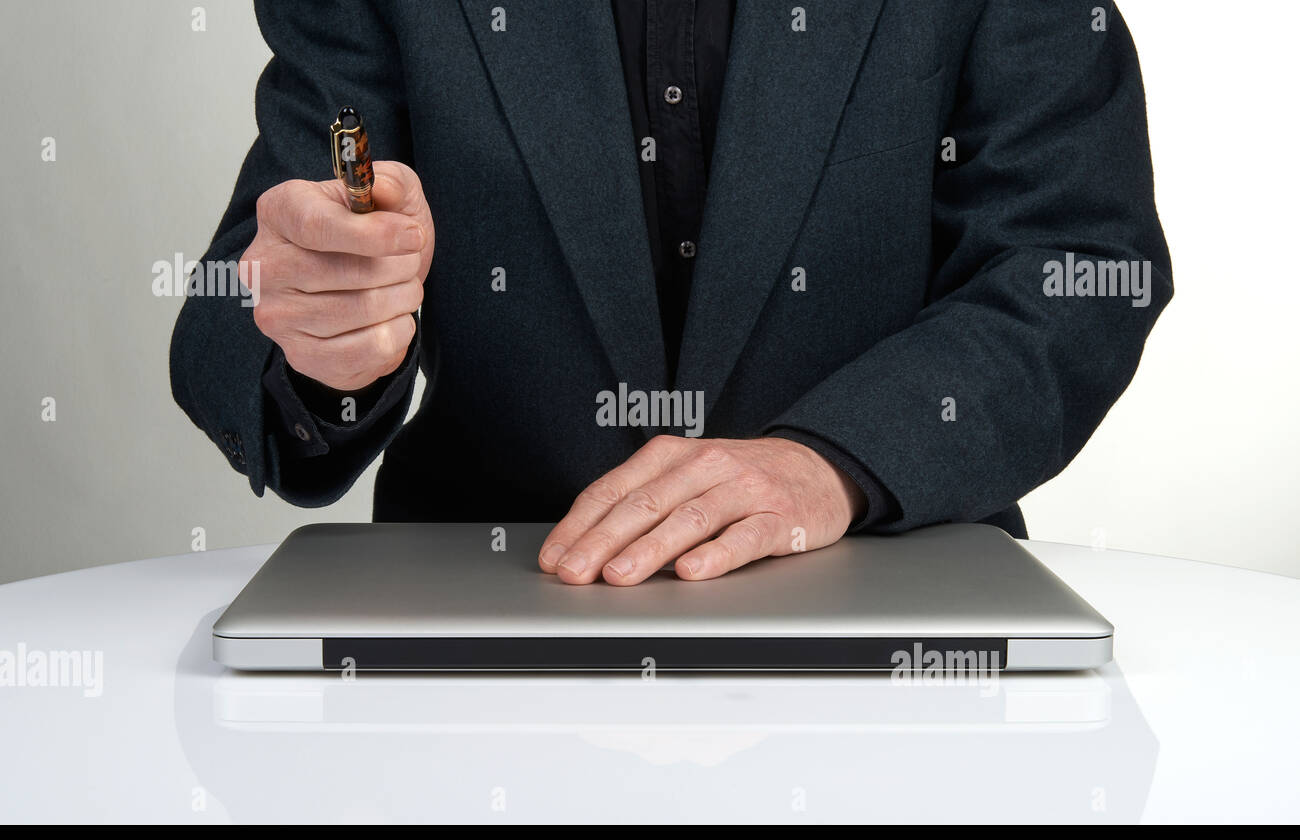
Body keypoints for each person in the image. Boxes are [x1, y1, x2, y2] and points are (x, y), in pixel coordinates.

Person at [170, 1, 1172, 586]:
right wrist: (320, 344)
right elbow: (239, 305)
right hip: (491, 613)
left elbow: (1075, 264)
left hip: (892, 591)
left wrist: (833, 466)